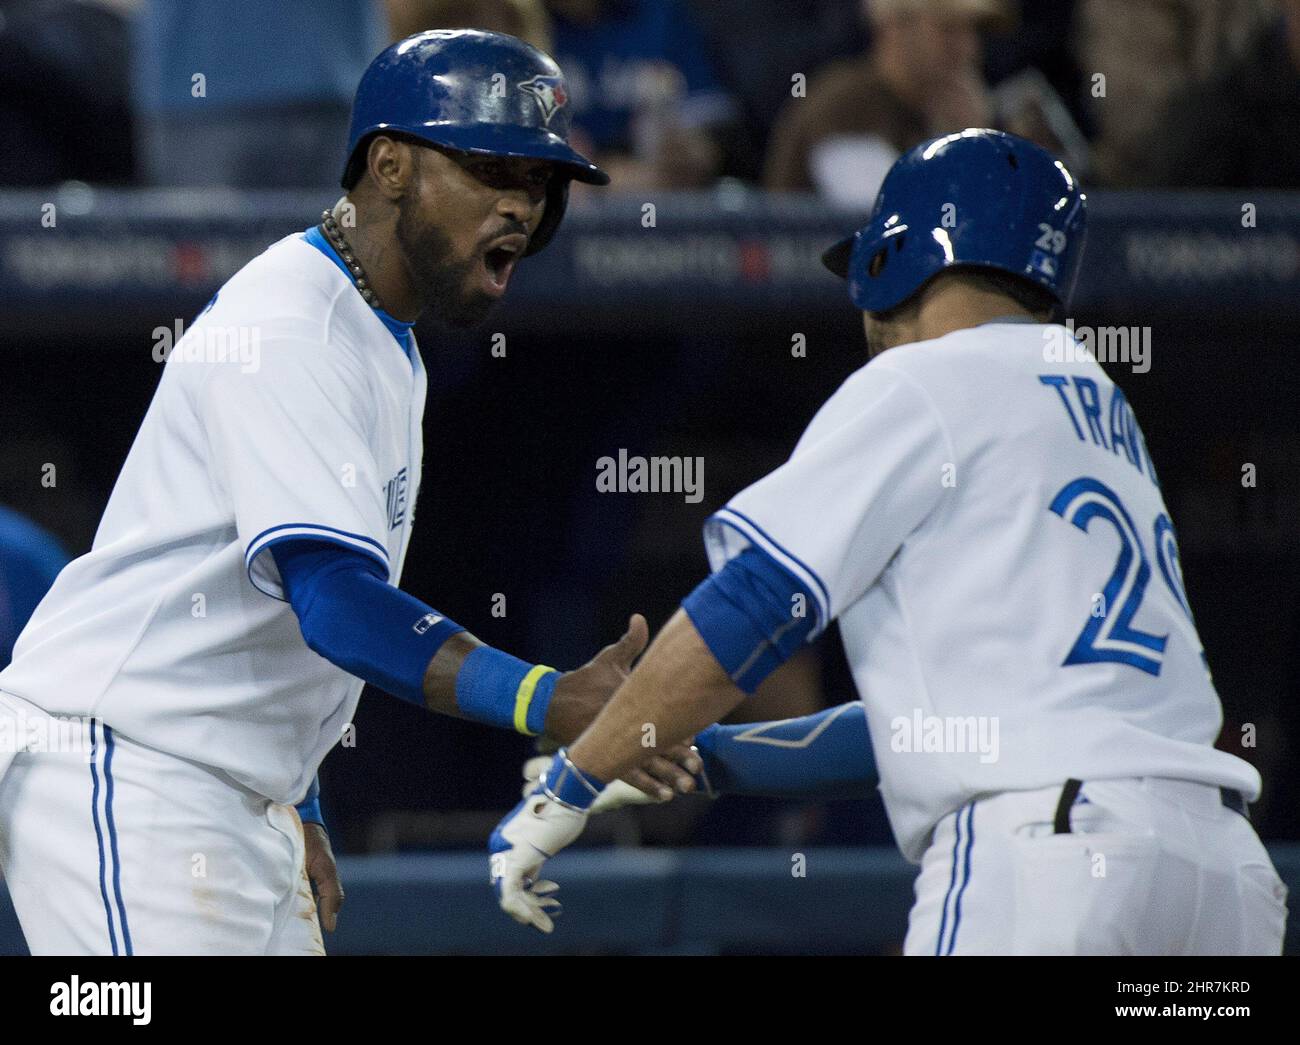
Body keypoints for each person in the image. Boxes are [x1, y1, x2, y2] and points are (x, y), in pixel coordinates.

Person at [489, 129, 1289, 955]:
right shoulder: (1097, 399)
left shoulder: (924, 378)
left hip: (1050, 856)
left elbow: (751, 606)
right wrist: (684, 750)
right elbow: (936, 727)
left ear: (894, 261)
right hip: (1223, 875)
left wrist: (570, 781)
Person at [0, 29, 695, 957]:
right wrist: (546, 696)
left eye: (537, 184)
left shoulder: (380, 331)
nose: (520, 207)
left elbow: (283, 612)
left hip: (223, 787)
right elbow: (334, 602)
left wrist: (300, 791)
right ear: (391, 165)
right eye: (492, 169)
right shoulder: (294, 325)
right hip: (129, 772)